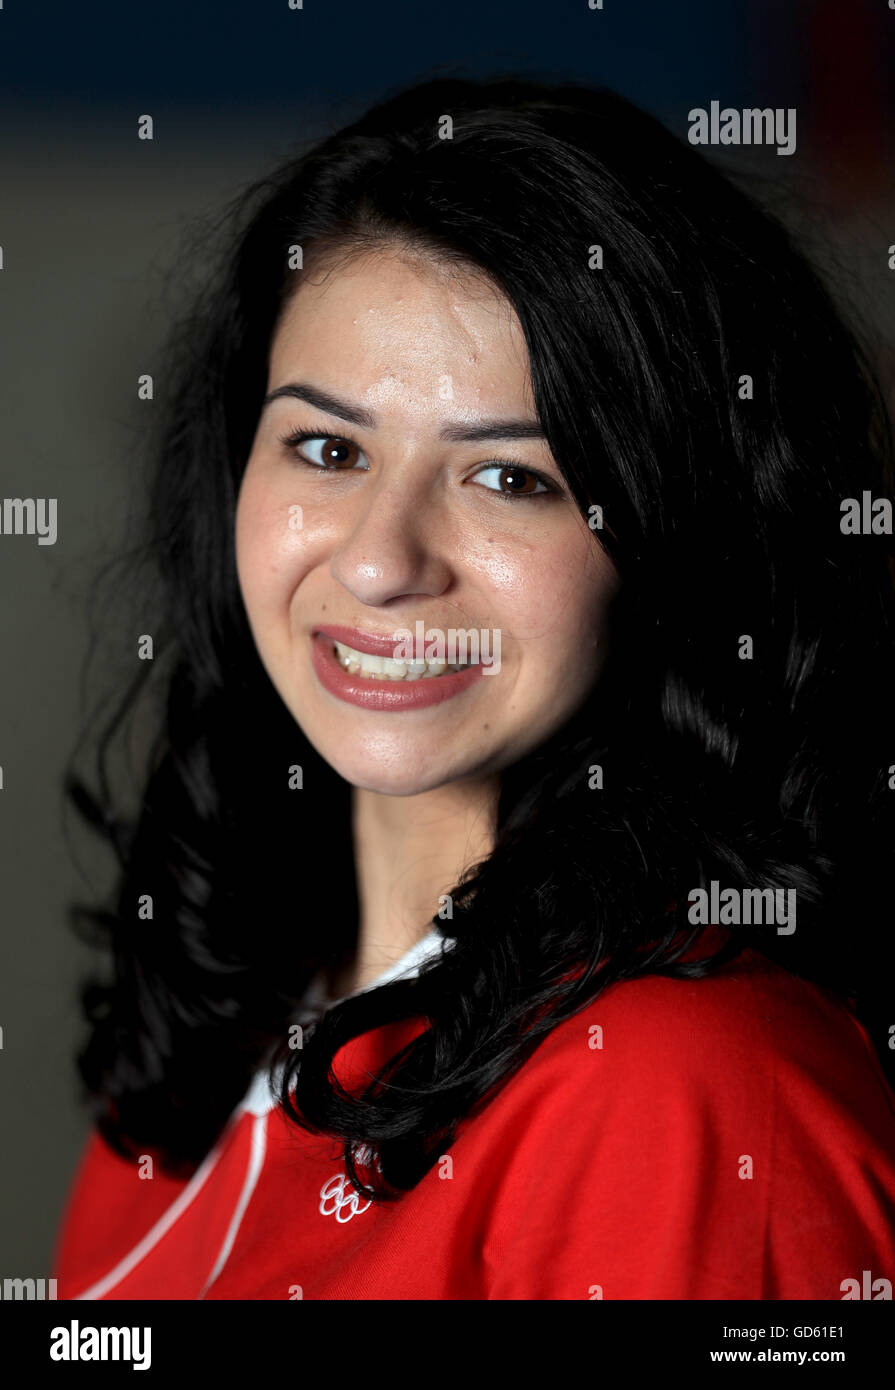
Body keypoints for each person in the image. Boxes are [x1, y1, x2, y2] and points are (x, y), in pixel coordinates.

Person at [52, 77, 895, 1300]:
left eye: (509, 477)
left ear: (672, 541)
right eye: (328, 449)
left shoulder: (687, 1090)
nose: (382, 560)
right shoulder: (202, 1042)